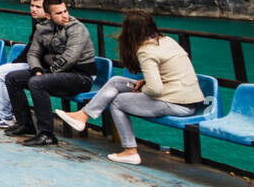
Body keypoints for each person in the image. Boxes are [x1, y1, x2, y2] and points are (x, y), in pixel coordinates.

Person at [55, 11, 205, 164]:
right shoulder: (166, 40)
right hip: (185, 99)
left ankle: (130, 151)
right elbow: (170, 74)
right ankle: (83, 116)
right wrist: (144, 83)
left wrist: (143, 88)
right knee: (116, 81)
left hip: (177, 104)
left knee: (118, 101)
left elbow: (155, 90)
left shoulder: (146, 51)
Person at [3, 0, 96, 146]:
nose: (65, 16)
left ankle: (47, 134)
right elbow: (33, 54)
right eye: (59, 13)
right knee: (12, 78)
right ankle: (26, 124)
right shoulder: (42, 29)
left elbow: (70, 58)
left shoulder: (77, 29)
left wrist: (46, 73)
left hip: (80, 76)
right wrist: (37, 69)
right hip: (54, 73)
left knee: (37, 82)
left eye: (65, 11)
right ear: (48, 16)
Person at [0, 0, 48, 128]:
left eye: (38, 7)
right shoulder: (38, 23)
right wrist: (15, 63)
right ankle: (10, 114)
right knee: (1, 73)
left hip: (39, 66)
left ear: (47, 9)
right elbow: (30, 48)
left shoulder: (47, 26)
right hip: (32, 63)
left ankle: (4, 117)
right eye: (32, 6)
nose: (33, 9)